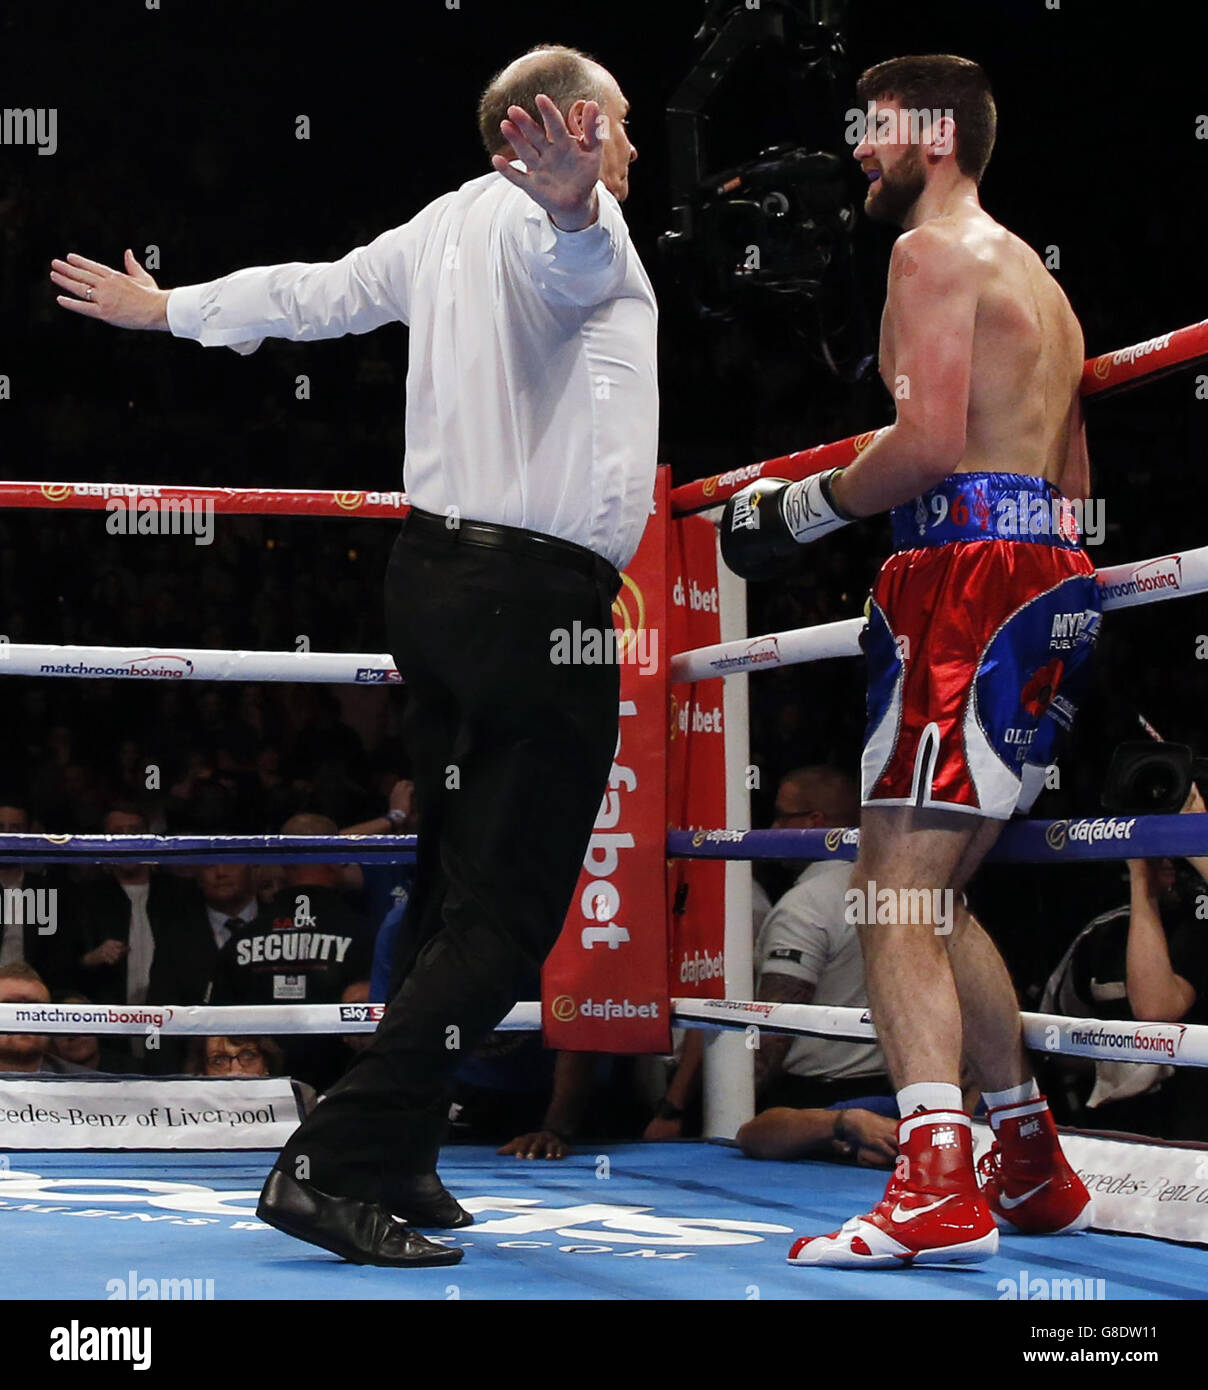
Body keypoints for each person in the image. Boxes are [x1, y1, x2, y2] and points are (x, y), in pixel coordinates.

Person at [54, 43, 656, 1267]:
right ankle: (334, 1163)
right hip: (529, 598)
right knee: (504, 912)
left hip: (435, 584)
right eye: (622, 125)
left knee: (445, 890)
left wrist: (171, 310)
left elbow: (307, 295)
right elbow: (569, 257)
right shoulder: (561, 222)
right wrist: (573, 199)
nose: (636, 145)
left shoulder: (442, 222)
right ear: (570, 126)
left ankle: (410, 1144)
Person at [722, 55, 1097, 1266]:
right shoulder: (1040, 285)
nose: (855, 153)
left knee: (889, 885)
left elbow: (929, 444)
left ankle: (935, 1185)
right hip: (1032, 578)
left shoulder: (929, 253)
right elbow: (1074, 487)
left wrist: (804, 507)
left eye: (873, 131)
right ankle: (1025, 1156)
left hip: (964, 579)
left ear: (933, 135)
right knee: (933, 895)